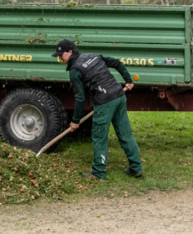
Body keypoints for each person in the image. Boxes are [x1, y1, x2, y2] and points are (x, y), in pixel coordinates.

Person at [53, 39, 143, 180]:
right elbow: (116, 63)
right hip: (119, 95)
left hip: (105, 101)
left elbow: (80, 98)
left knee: (99, 138)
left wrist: (75, 120)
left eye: (61, 54)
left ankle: (98, 173)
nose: (59, 58)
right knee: (125, 134)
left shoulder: (75, 70)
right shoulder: (92, 55)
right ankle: (136, 168)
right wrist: (128, 80)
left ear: (70, 52)